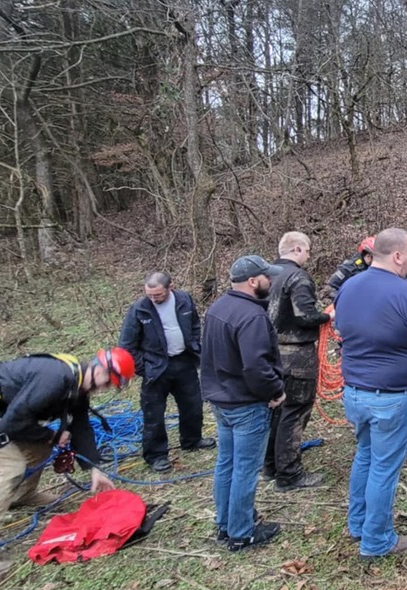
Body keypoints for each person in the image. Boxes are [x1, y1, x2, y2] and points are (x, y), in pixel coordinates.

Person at [0, 348, 132, 588]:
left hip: (1, 414)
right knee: (6, 472)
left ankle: (22, 495)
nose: (104, 389)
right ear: (99, 368)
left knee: (39, 449)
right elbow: (13, 423)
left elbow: (81, 426)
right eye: (107, 383)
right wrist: (51, 435)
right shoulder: (55, 378)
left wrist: (95, 469)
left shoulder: (77, 386)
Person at [335, 228, 407, 558]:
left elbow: (340, 329)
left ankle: (358, 524)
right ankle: (377, 540)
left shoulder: (348, 286)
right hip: (391, 399)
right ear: (397, 256)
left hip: (355, 393)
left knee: (365, 456)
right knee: (383, 468)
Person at [201, 255, 288, 551]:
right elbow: (256, 367)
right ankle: (241, 532)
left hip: (222, 402)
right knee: (245, 469)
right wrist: (275, 391)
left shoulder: (218, 307)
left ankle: (225, 523)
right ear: (252, 281)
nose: (271, 281)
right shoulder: (252, 316)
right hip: (246, 405)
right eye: (266, 277)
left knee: (226, 463)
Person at [118, 272, 213, 473]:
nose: (154, 299)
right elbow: (126, 345)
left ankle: (192, 440)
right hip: (155, 368)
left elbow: (195, 324)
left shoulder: (184, 299)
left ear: (171, 287)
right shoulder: (139, 309)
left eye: (158, 295)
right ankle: (156, 455)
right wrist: (144, 368)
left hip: (184, 361)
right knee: (153, 413)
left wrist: (195, 346)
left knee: (193, 405)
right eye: (150, 295)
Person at [265, 232, 331, 492]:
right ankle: (289, 474)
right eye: (307, 251)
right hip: (296, 355)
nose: (309, 256)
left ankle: (269, 465)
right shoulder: (298, 277)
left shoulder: (266, 274)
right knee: (294, 411)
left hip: (270, 354)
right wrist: (327, 317)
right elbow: (305, 316)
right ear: (297, 249)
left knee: (276, 410)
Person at [321, 236, 375, 302]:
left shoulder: (374, 268)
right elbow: (329, 288)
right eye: (376, 257)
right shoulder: (350, 268)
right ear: (368, 256)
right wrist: (346, 301)